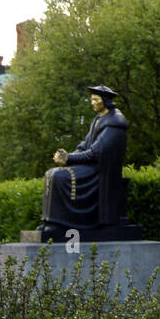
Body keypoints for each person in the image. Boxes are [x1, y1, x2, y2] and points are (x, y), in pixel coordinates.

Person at [40, 85, 131, 239]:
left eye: (96, 100)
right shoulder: (99, 118)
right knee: (51, 173)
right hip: (90, 165)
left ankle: (63, 222)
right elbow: (84, 144)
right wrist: (69, 156)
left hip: (101, 171)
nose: (92, 103)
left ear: (105, 101)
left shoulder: (115, 123)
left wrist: (69, 159)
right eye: (92, 100)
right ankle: (50, 221)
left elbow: (96, 152)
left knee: (61, 177)